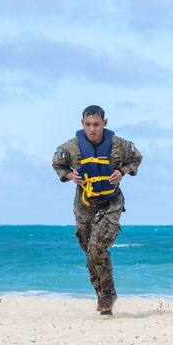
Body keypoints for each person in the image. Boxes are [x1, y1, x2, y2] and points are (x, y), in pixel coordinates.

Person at [52, 105, 142, 315]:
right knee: (89, 251)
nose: (92, 129)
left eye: (97, 124)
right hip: (84, 204)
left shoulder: (119, 145)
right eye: (88, 125)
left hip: (111, 202)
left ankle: (108, 293)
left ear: (105, 123)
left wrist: (123, 171)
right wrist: (69, 176)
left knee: (97, 246)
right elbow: (58, 164)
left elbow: (136, 158)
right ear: (82, 123)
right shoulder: (72, 147)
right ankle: (102, 295)